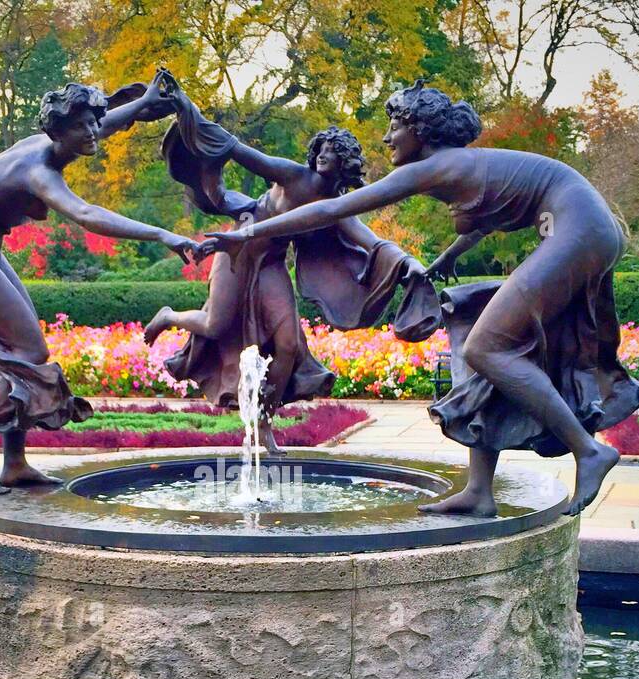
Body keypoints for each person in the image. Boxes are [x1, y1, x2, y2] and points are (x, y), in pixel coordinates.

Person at [206, 80, 639, 516]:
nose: (386, 137)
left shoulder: (437, 167)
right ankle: (480, 491)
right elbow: (487, 218)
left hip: (578, 228)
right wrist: (445, 260)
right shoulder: (465, 167)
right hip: (582, 228)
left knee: (486, 346)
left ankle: (587, 450)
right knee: (470, 332)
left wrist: (248, 232)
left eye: (395, 125)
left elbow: (332, 209)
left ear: (420, 129)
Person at [0, 73, 202, 495]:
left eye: (94, 121)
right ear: (58, 131)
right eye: (82, 125)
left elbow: (103, 124)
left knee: (22, 348)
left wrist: (144, 101)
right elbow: (88, 215)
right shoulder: (39, 170)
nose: (93, 132)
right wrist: (161, 234)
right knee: (29, 350)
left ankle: (14, 463)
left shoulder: (61, 141)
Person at [145, 76, 438, 454]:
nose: (323, 155)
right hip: (236, 254)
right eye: (322, 148)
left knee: (287, 344)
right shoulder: (292, 174)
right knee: (215, 324)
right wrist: (188, 110)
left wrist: (409, 263)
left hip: (269, 264)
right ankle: (169, 316)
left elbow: (374, 242)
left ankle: (264, 422)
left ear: (343, 164)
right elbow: (238, 150)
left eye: (332, 152)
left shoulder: (339, 206)